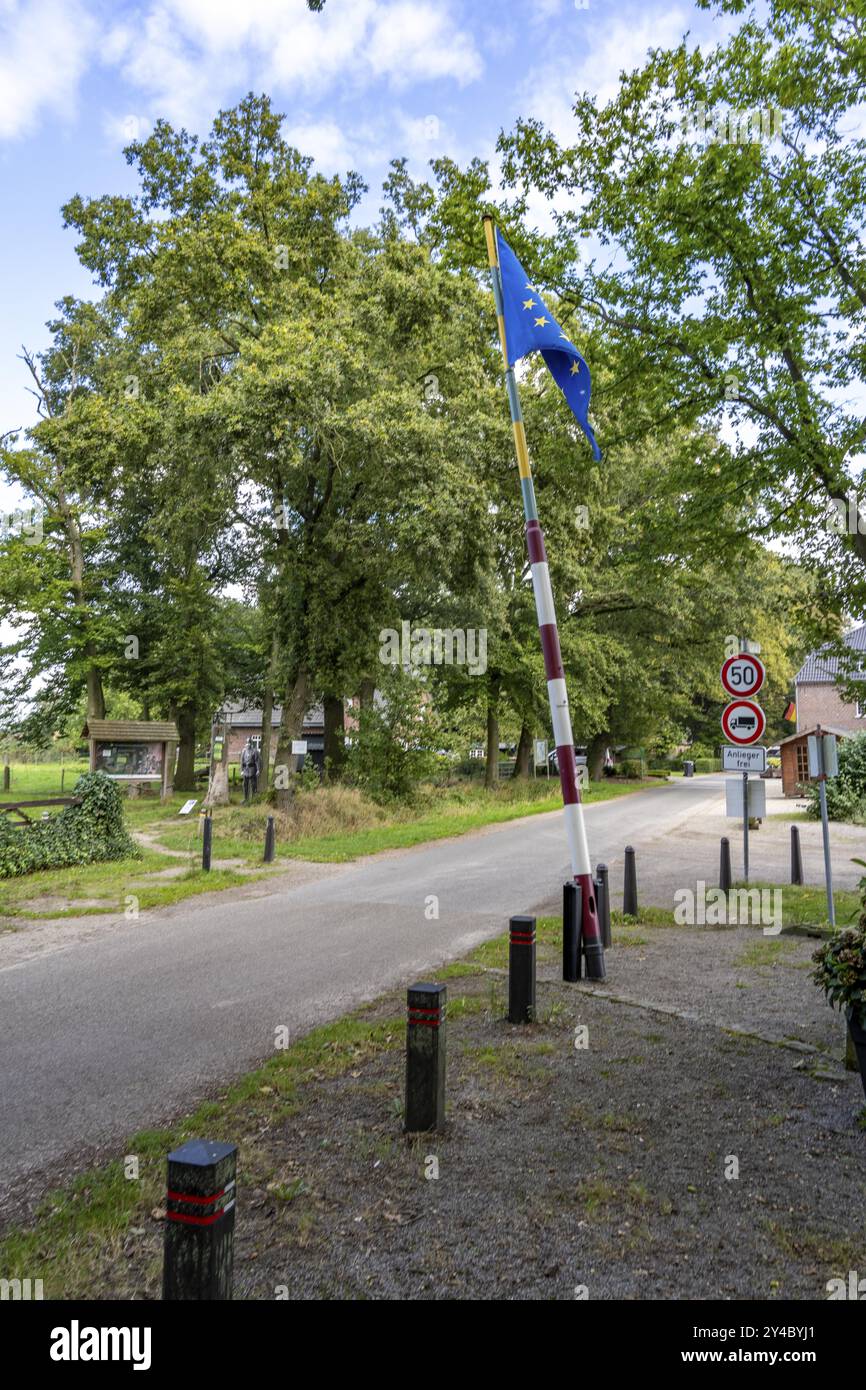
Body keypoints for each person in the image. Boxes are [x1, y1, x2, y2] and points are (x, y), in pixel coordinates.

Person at [241, 739, 261, 803]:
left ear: (251, 743)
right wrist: (241, 770)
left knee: (253, 784)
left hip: (252, 769)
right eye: (247, 743)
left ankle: (253, 798)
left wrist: (258, 769)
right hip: (245, 770)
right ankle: (245, 798)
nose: (248, 744)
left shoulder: (255, 751)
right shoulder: (244, 751)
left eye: (249, 743)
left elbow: (257, 761)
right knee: (245, 784)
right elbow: (241, 761)